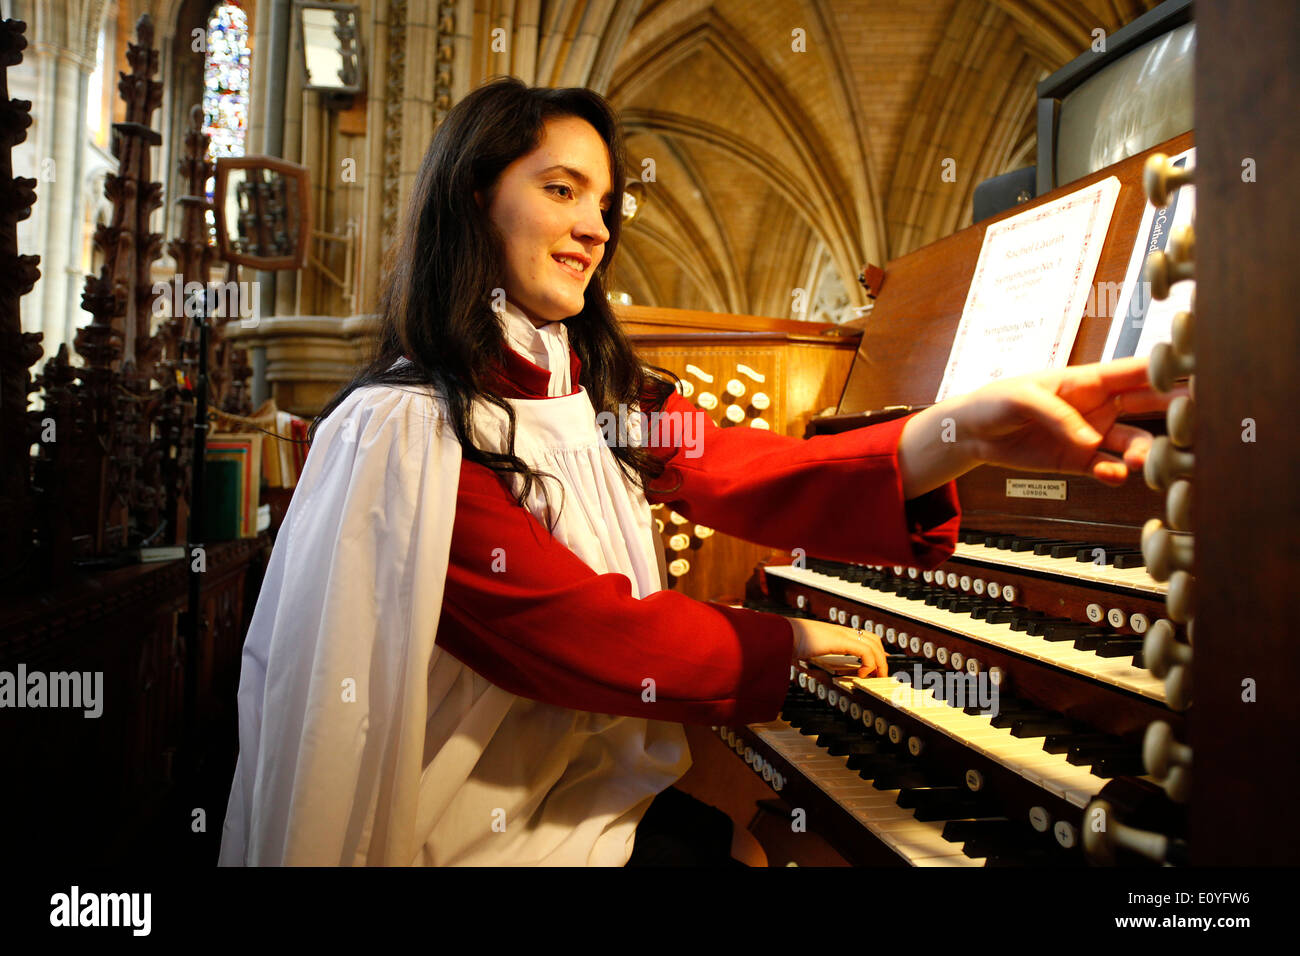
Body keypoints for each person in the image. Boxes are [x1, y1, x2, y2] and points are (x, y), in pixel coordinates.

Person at [217, 77, 1167, 867]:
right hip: (479, 831)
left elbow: (765, 474)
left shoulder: (591, 390)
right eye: (560, 190)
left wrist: (969, 430)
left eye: (603, 203)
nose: (593, 226)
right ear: (475, 194)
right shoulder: (407, 429)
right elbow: (579, 634)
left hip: (591, 790)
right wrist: (785, 643)